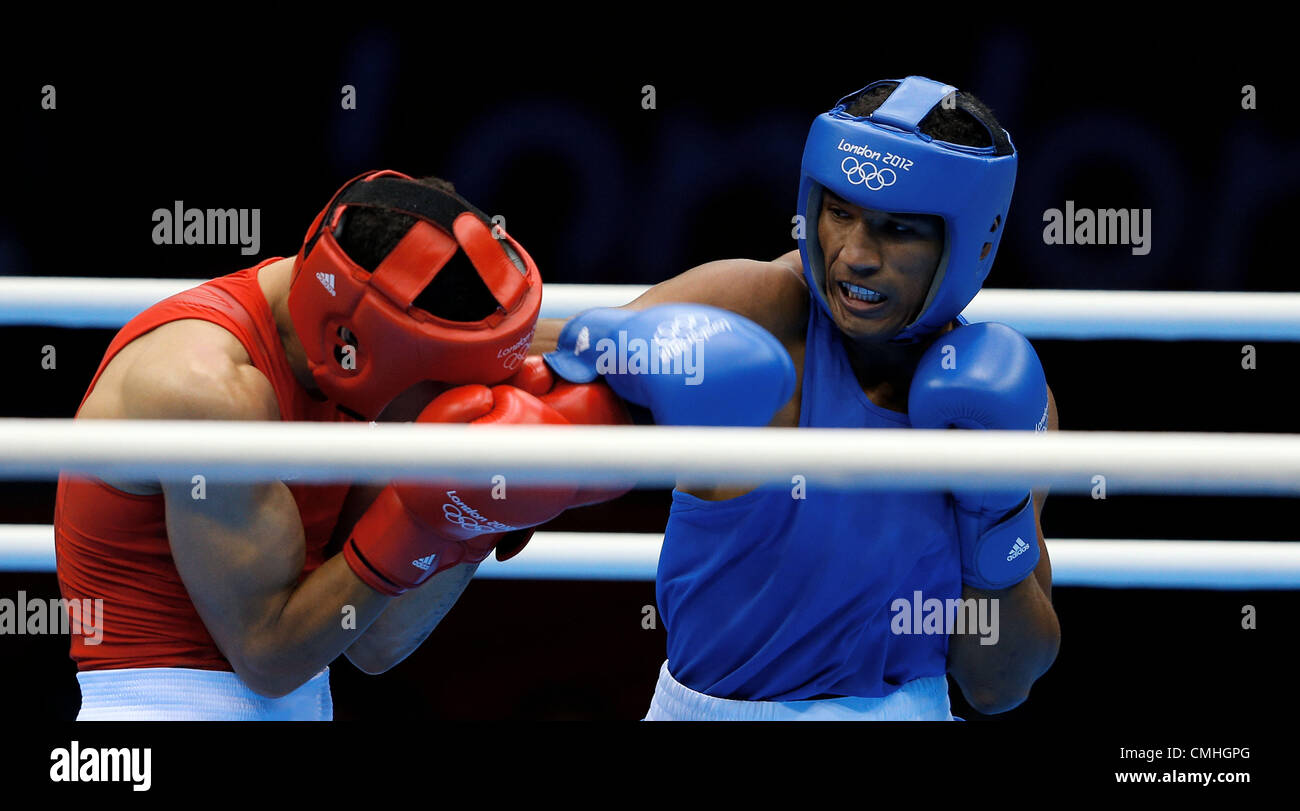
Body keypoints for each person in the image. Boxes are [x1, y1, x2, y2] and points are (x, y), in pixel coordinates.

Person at [535, 76, 1061, 720]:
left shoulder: (998, 398)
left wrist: (995, 518)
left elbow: (1000, 684)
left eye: (897, 229)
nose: (855, 255)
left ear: (975, 244)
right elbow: (553, 352)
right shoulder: (755, 309)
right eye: (840, 213)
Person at [54, 170, 628, 720]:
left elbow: (375, 644)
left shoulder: (350, 340)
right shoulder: (208, 391)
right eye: (454, 383)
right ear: (355, 348)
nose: (469, 397)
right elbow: (271, 660)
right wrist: (422, 517)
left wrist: (476, 515)